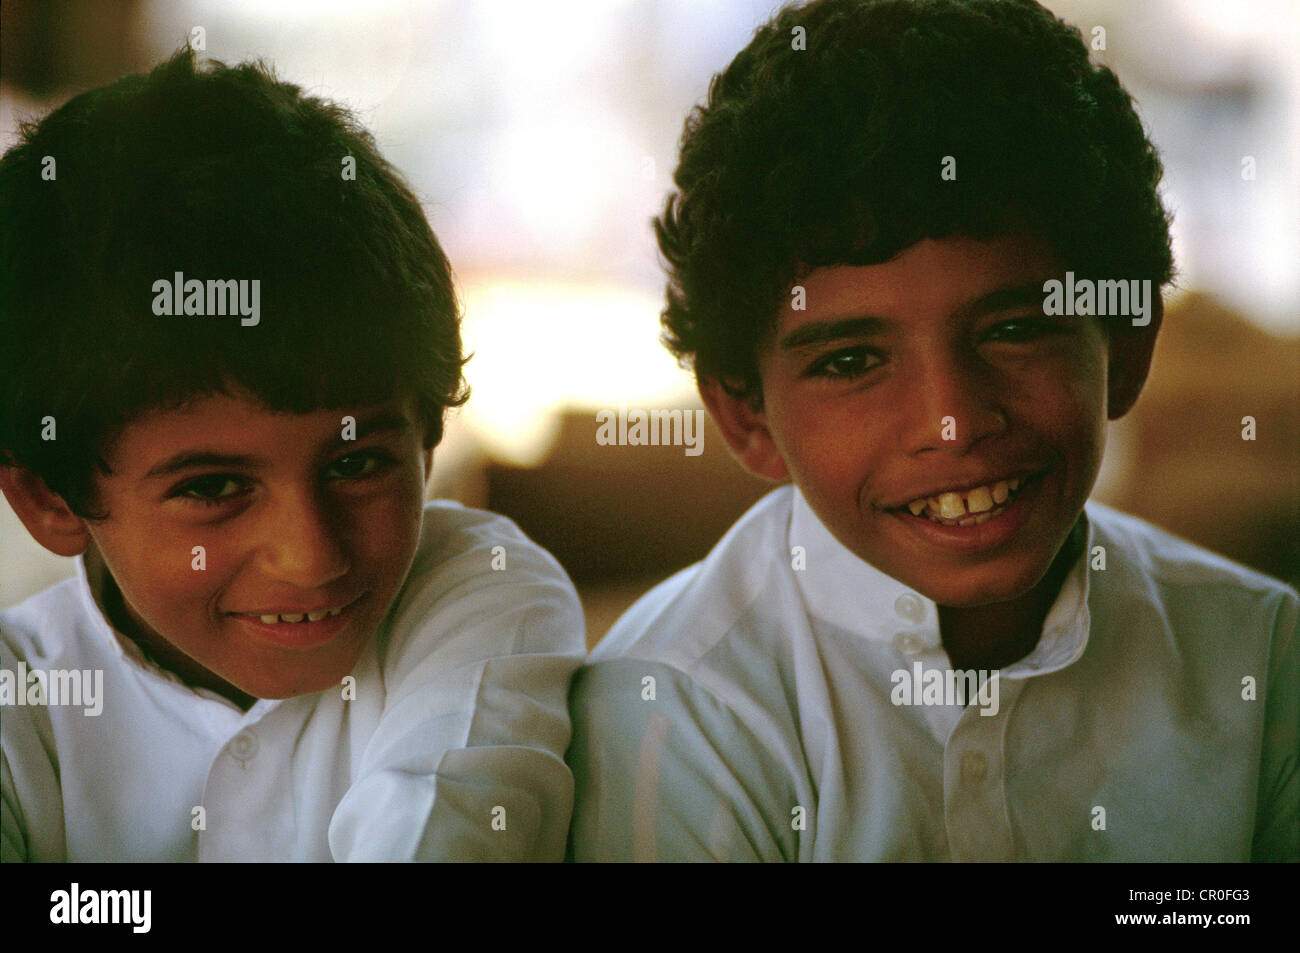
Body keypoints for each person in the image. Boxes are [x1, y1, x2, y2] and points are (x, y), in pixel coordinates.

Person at [567, 0, 1297, 861]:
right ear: (746, 415)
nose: (952, 422)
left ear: (1127, 348)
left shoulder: (1261, 654)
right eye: (849, 362)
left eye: (1014, 328)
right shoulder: (678, 704)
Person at [0, 48, 584, 861]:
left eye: (356, 464)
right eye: (214, 486)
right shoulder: (23, 700)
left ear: (427, 435)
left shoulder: (476, 596)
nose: (311, 556)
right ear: (49, 499)